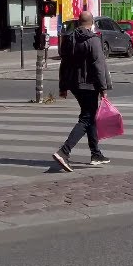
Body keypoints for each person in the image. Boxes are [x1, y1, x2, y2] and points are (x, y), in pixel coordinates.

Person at [52, 11, 113, 171]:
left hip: (74, 84)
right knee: (86, 118)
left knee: (90, 116)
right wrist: (103, 88)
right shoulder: (93, 40)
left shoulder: (69, 39)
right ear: (92, 23)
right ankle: (64, 152)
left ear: (79, 22)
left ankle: (96, 154)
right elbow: (99, 65)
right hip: (89, 84)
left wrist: (63, 86)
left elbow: (63, 63)